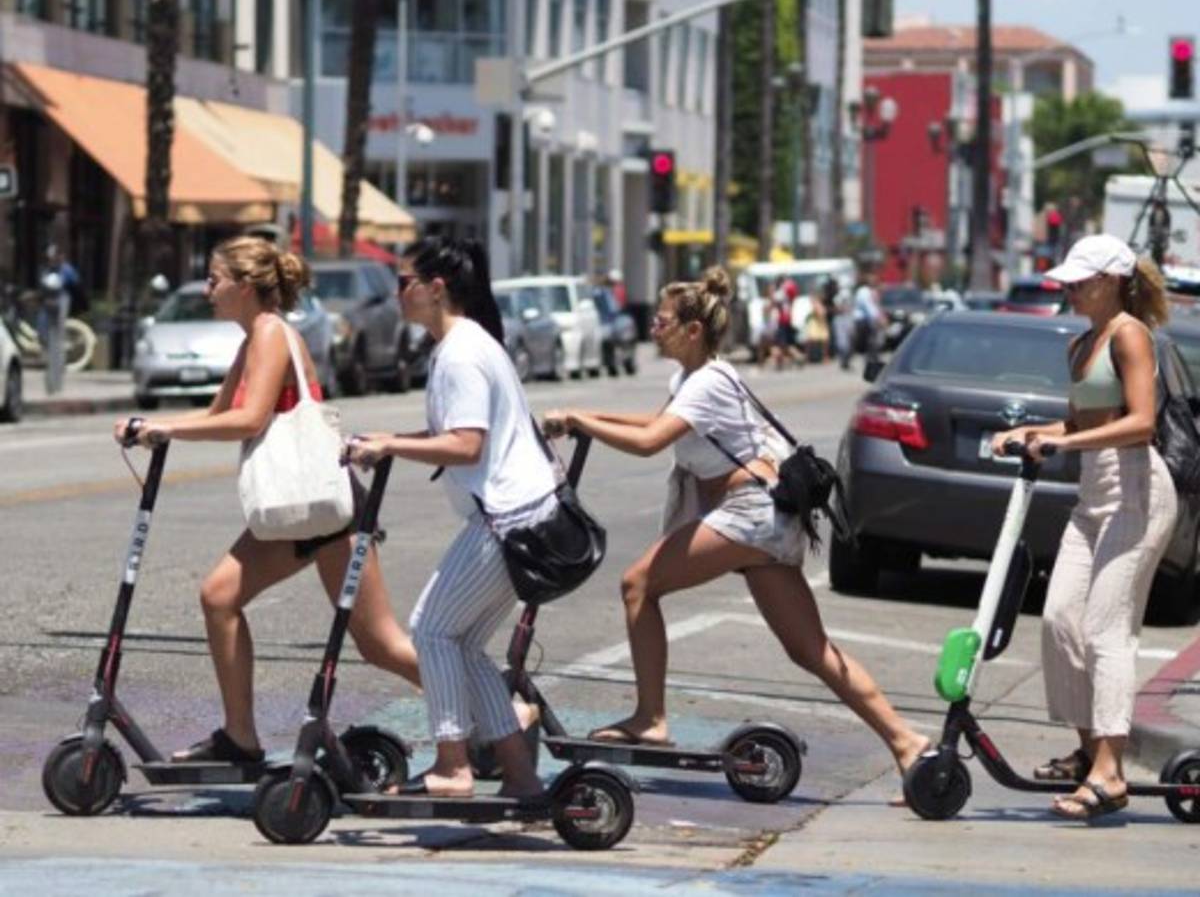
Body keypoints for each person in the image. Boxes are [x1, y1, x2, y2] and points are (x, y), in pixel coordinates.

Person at [543, 266, 929, 794]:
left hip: (748, 512)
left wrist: (581, 423)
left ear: (693, 330)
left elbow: (651, 441)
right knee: (809, 649)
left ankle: (651, 719)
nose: (653, 329)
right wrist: (580, 413)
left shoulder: (707, 383)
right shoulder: (695, 380)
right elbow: (652, 421)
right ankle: (906, 741)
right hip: (762, 517)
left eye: (661, 321)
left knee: (637, 585)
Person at [114, 236, 420, 764]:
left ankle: (500, 712)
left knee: (381, 644)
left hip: (322, 508)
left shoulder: (272, 334)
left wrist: (164, 428)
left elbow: (251, 418)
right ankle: (239, 738)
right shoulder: (253, 337)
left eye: (215, 280)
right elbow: (215, 418)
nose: (208, 290)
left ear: (246, 285)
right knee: (219, 596)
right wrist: (151, 429)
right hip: (296, 510)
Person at [344, 237, 549, 802]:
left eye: (405, 282)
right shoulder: (460, 345)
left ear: (437, 290)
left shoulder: (461, 351)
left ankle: (453, 765)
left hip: (508, 520)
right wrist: (385, 442)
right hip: (522, 518)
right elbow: (452, 439)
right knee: (459, 644)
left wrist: (391, 446)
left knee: (431, 630)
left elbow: (464, 445)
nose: (398, 293)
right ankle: (521, 776)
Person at [990, 234, 1176, 821]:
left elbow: (1141, 423)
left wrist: (1062, 440)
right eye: (1066, 282)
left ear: (1112, 281)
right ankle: (1088, 748)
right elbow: (1080, 420)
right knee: (1059, 619)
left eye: (1078, 281)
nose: (1068, 289)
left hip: (1137, 490)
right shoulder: (1081, 344)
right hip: (1093, 492)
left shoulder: (1129, 334)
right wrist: (1032, 433)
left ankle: (1110, 772)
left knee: (1105, 629)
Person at [848, 269, 883, 370]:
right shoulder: (863, 291)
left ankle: (872, 361)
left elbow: (875, 305)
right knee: (861, 342)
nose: (875, 281)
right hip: (862, 321)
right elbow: (868, 306)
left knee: (870, 341)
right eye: (872, 280)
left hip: (867, 320)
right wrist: (877, 318)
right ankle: (847, 360)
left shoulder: (870, 291)